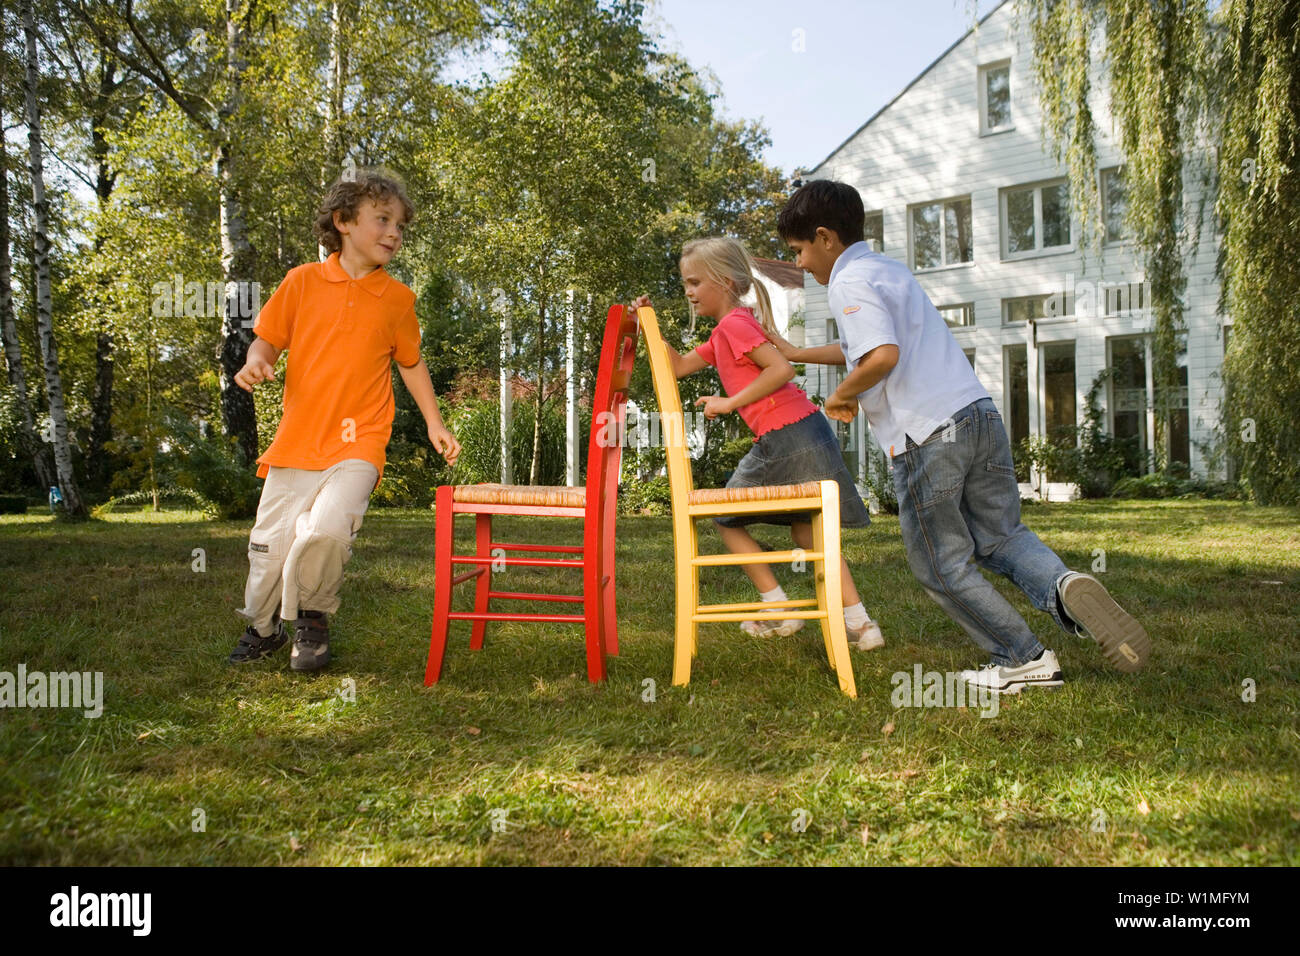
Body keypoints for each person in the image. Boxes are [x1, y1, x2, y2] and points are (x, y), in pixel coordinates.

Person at [770, 179, 1150, 694]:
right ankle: (1063, 587)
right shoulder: (887, 269)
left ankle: (1023, 658)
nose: (800, 265)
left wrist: (845, 396)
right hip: (976, 415)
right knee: (1001, 536)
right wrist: (798, 353)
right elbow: (865, 343)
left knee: (939, 563)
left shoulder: (845, 282)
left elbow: (880, 356)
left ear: (825, 237)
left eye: (799, 252)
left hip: (928, 434)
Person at [227, 169, 461, 671]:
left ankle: (311, 617)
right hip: (297, 443)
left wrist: (434, 422)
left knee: (329, 531)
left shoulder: (399, 300)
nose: (394, 233)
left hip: (360, 443)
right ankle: (263, 628)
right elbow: (268, 336)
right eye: (383, 220)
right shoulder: (301, 282)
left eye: (400, 225)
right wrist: (255, 359)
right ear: (343, 222)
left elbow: (411, 363)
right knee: (268, 552)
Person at [635, 236, 884, 650]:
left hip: (786, 436)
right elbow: (676, 367)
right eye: (685, 284)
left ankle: (776, 605)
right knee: (810, 537)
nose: (689, 292)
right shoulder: (725, 332)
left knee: (724, 516)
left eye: (695, 282)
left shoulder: (734, 324)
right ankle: (861, 625)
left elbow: (781, 369)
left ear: (727, 282)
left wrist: (731, 402)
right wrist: (648, 323)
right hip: (808, 432)